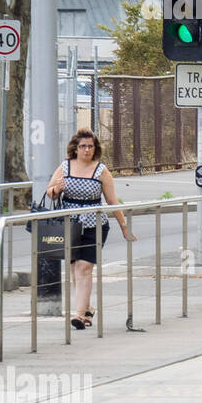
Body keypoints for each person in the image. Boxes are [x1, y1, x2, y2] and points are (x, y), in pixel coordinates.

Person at [45, 129, 135, 330]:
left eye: (90, 146)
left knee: (84, 267)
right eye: (83, 146)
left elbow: (112, 200)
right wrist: (56, 189)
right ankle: (86, 311)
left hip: (94, 225)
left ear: (95, 149)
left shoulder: (101, 170)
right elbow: (50, 194)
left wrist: (124, 226)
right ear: (75, 149)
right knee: (75, 269)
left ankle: (78, 315)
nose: (86, 150)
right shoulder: (65, 167)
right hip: (69, 225)